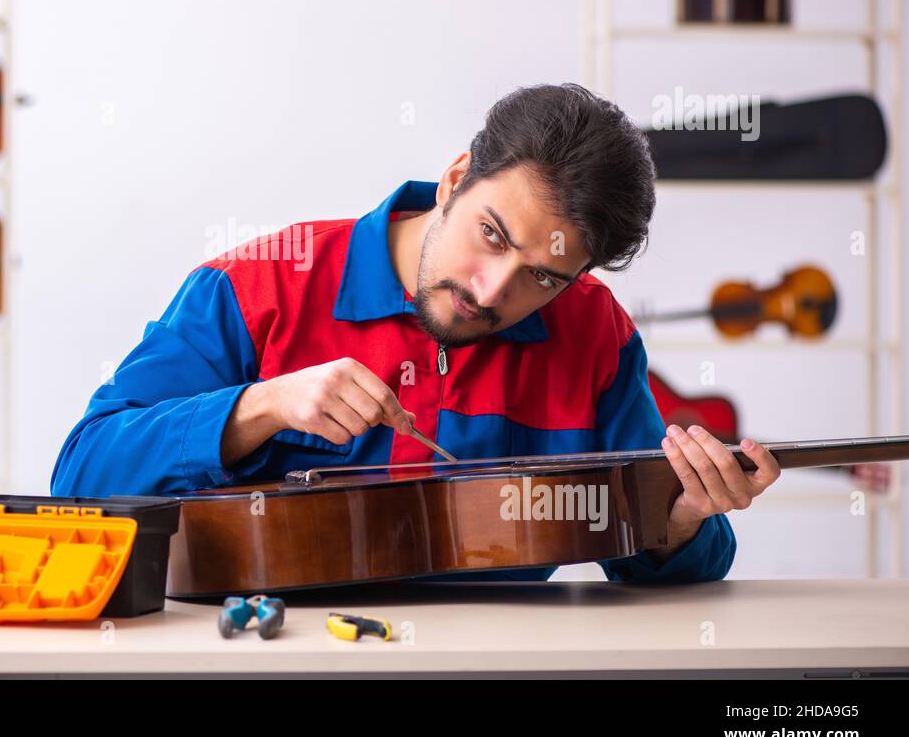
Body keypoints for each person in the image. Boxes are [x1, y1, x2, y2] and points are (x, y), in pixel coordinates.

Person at [52, 83, 781, 582]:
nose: (493, 290)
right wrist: (258, 408)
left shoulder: (595, 332)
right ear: (455, 177)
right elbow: (82, 478)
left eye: (544, 276)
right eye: (492, 234)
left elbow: (648, 554)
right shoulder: (258, 285)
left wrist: (681, 516)